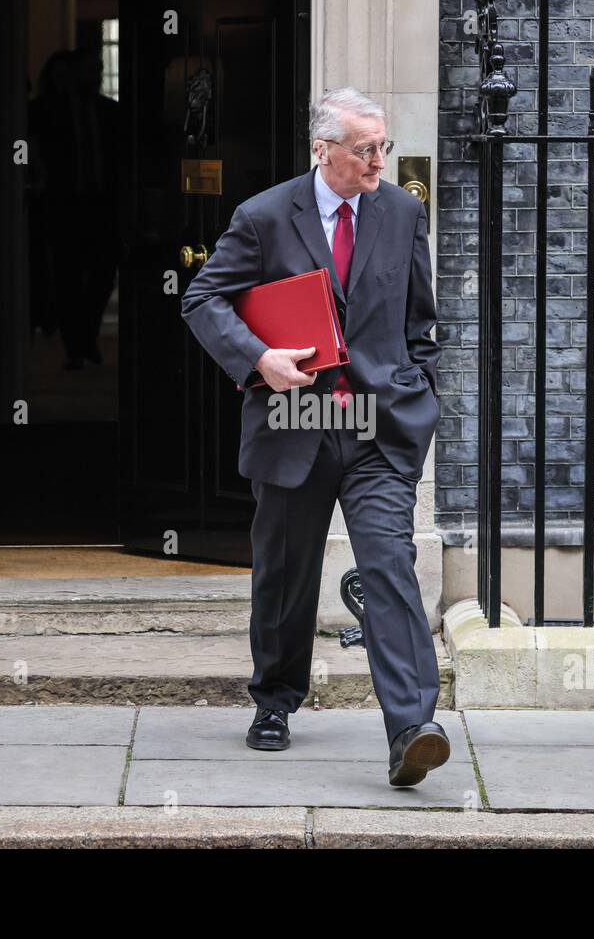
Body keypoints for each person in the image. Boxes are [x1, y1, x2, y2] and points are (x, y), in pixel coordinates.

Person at [180, 86, 447, 787]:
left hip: (377, 427)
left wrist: (419, 393)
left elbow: (422, 323)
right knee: (285, 573)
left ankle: (413, 726)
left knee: (389, 566)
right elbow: (203, 298)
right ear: (322, 150)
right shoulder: (264, 216)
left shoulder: (402, 213)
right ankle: (274, 698)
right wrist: (258, 358)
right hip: (295, 421)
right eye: (366, 150)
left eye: (383, 147)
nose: (379, 162)